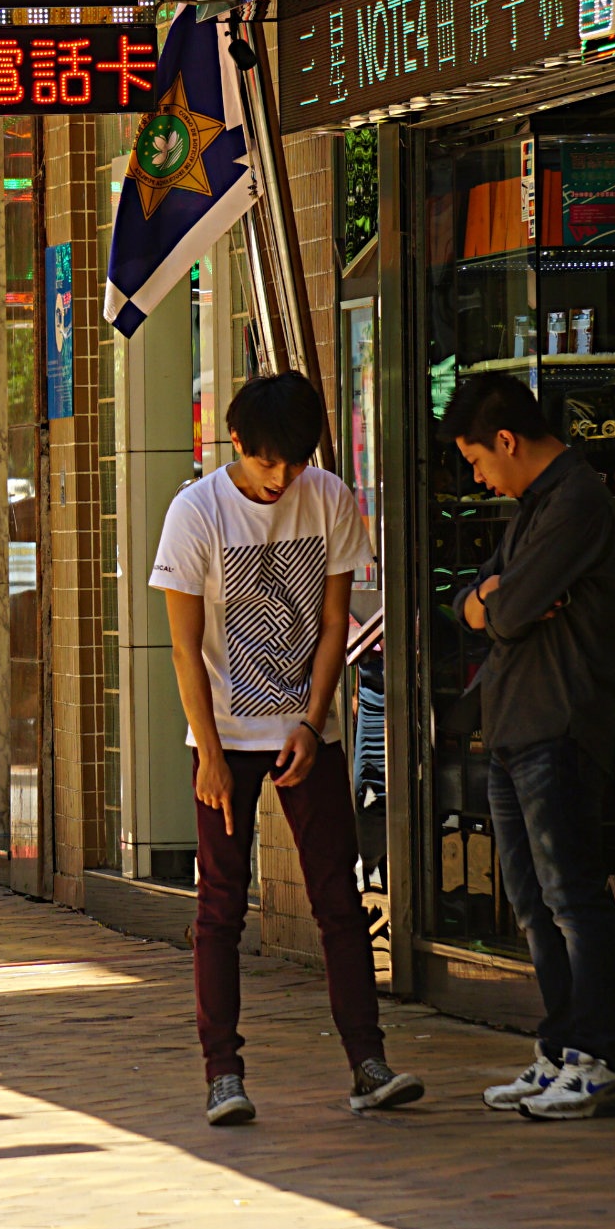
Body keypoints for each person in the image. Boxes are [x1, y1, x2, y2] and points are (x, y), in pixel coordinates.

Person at [151, 370, 420, 1128]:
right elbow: (180, 648)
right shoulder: (195, 512)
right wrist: (207, 753)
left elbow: (336, 623)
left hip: (308, 729)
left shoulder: (330, 497)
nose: (281, 478)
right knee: (220, 908)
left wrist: (312, 721)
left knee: (340, 900)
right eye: (269, 462)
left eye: (295, 463)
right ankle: (222, 1074)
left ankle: (369, 1063)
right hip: (224, 735)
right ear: (236, 443)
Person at [446, 371, 615, 1121]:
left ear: (506, 440)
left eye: (476, 460)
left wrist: (500, 600)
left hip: (561, 721)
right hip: (516, 722)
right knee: (531, 901)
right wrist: (495, 598)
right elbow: (471, 598)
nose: (476, 476)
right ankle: (559, 1050)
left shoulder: (579, 500)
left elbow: (508, 608)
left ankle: (599, 1058)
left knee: (571, 897)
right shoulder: (535, 506)